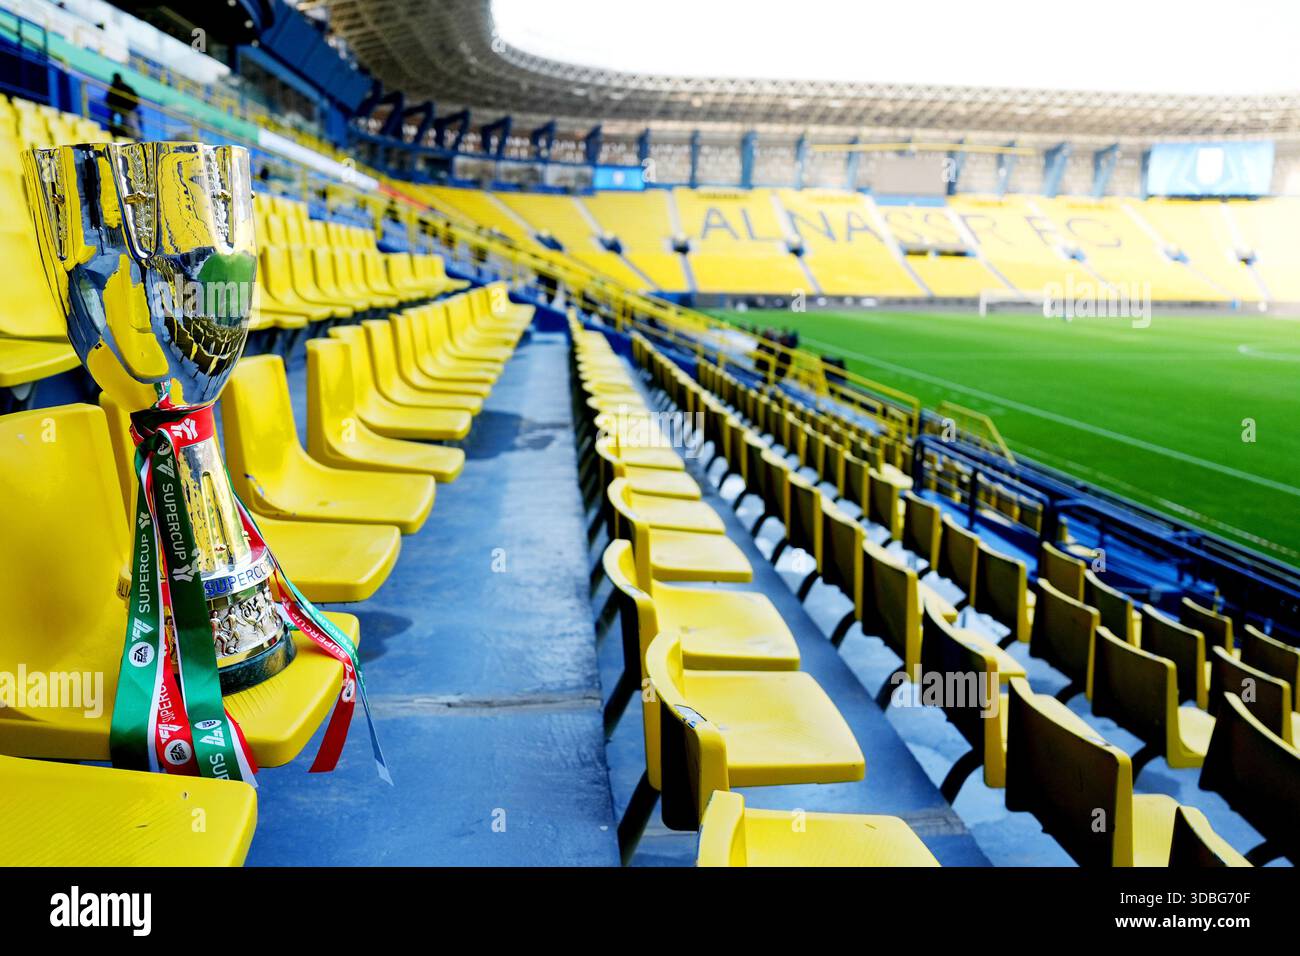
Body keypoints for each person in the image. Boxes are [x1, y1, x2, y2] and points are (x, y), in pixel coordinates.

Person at [105, 73, 141, 139]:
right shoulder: (113, 88)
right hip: (118, 111)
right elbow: (108, 100)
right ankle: (115, 137)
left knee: (131, 124)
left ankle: (135, 138)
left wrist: (129, 107)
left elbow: (136, 99)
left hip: (126, 111)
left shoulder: (124, 88)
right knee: (117, 123)